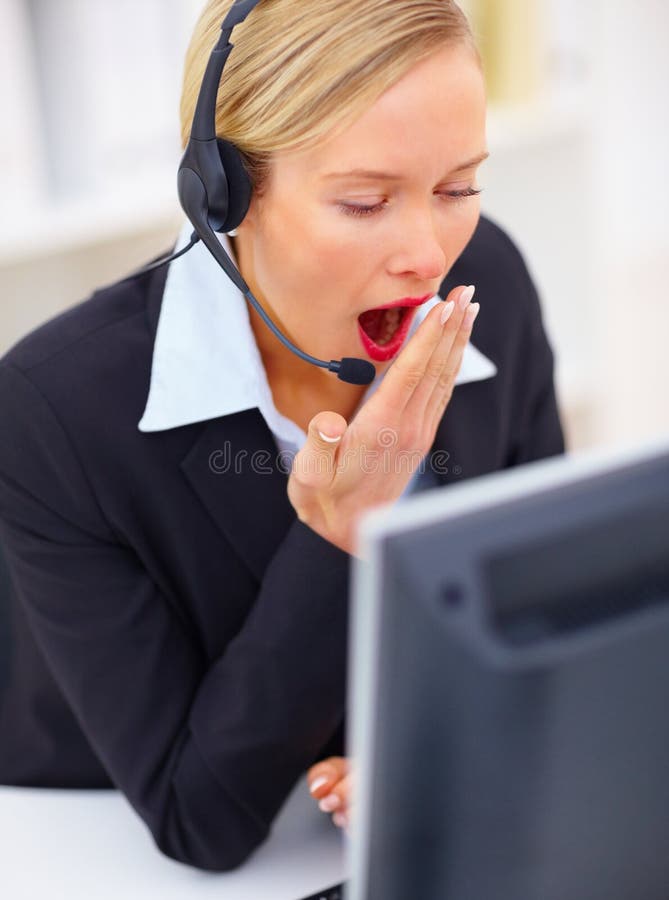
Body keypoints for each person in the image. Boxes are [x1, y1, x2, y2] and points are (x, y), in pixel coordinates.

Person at [0, 0, 564, 873]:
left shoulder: (488, 279)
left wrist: (421, 747)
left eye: (457, 188)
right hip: (89, 838)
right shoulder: (52, 411)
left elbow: (540, 619)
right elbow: (201, 825)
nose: (429, 252)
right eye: (366, 201)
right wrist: (342, 529)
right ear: (220, 194)